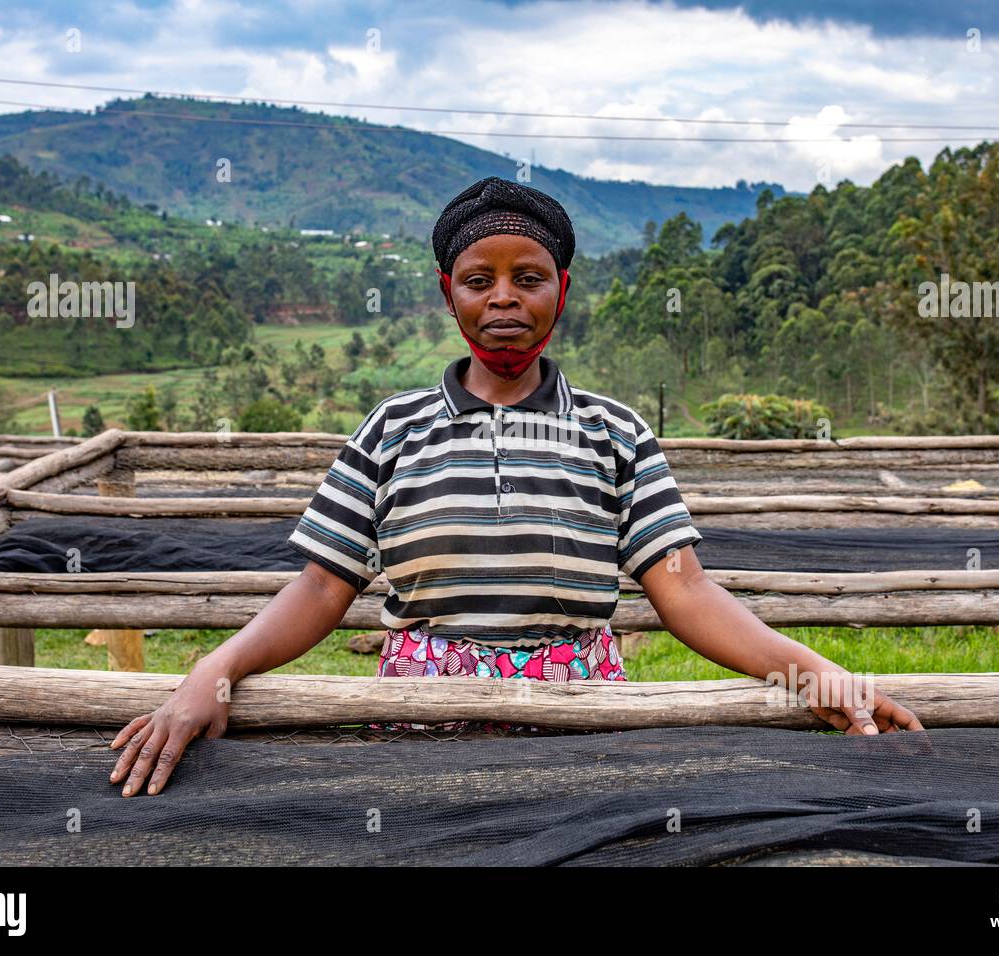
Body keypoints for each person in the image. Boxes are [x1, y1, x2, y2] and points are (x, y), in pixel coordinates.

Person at [109, 176, 923, 798]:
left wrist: (813, 671)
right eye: (479, 279)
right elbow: (322, 588)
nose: (504, 297)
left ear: (561, 291)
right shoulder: (391, 430)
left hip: (582, 722)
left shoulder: (614, 433)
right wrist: (209, 676)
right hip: (423, 724)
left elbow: (686, 593)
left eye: (528, 277)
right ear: (446, 292)